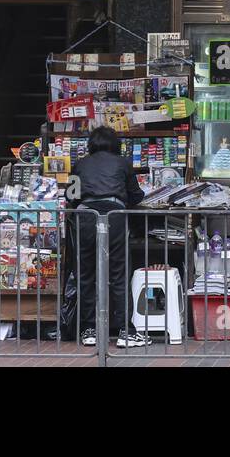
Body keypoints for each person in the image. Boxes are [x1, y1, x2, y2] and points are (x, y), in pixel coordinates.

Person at [71, 125, 149, 348]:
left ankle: (88, 330)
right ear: (115, 144)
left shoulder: (80, 164)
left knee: (85, 274)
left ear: (91, 144)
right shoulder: (122, 163)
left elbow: (71, 197)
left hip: (85, 218)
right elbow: (136, 195)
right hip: (114, 218)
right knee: (119, 273)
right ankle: (126, 331)